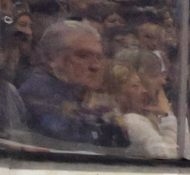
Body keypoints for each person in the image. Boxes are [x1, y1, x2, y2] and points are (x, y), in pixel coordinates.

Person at [20, 19, 127, 149]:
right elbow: (71, 144)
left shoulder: (75, 94)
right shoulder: (38, 92)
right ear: (52, 57)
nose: (96, 66)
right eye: (83, 56)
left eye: (99, 57)